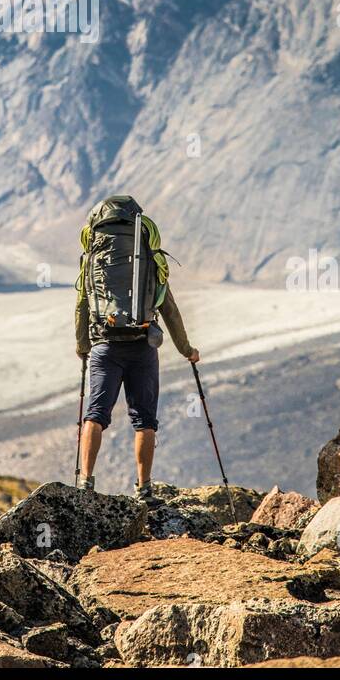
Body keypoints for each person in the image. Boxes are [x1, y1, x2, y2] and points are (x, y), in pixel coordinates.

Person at [74, 196, 199, 500]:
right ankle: (144, 488)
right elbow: (168, 307)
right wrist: (186, 349)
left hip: (104, 345)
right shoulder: (148, 257)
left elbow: (82, 304)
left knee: (95, 413)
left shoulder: (93, 256)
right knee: (145, 420)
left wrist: (82, 344)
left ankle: (85, 482)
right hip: (142, 344)